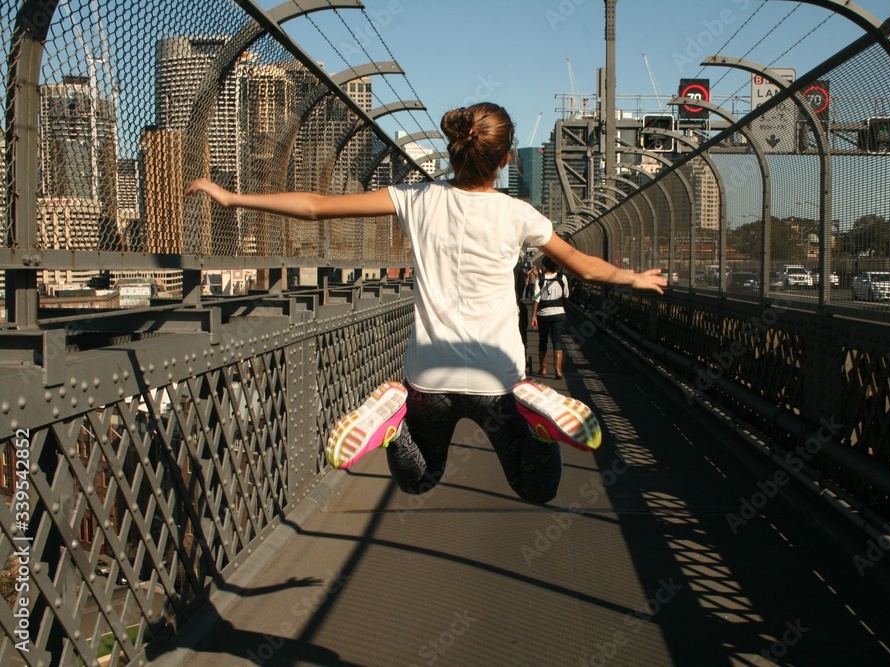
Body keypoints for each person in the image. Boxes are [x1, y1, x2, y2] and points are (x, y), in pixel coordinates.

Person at [185, 102, 666, 504]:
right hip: (497, 379)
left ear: (456, 149)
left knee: (420, 479)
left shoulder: (415, 198)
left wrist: (233, 199)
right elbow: (581, 264)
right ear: (504, 161)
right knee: (535, 488)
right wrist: (632, 277)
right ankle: (541, 429)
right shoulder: (520, 214)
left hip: (427, 378)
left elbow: (316, 206)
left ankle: (393, 427)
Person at [531, 255, 571, 379]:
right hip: (559, 313)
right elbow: (566, 295)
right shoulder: (562, 278)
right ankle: (558, 371)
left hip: (544, 314)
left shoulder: (540, 278)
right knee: (557, 340)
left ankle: (543, 368)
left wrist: (533, 316)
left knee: (543, 340)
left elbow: (536, 298)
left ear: (545, 265)